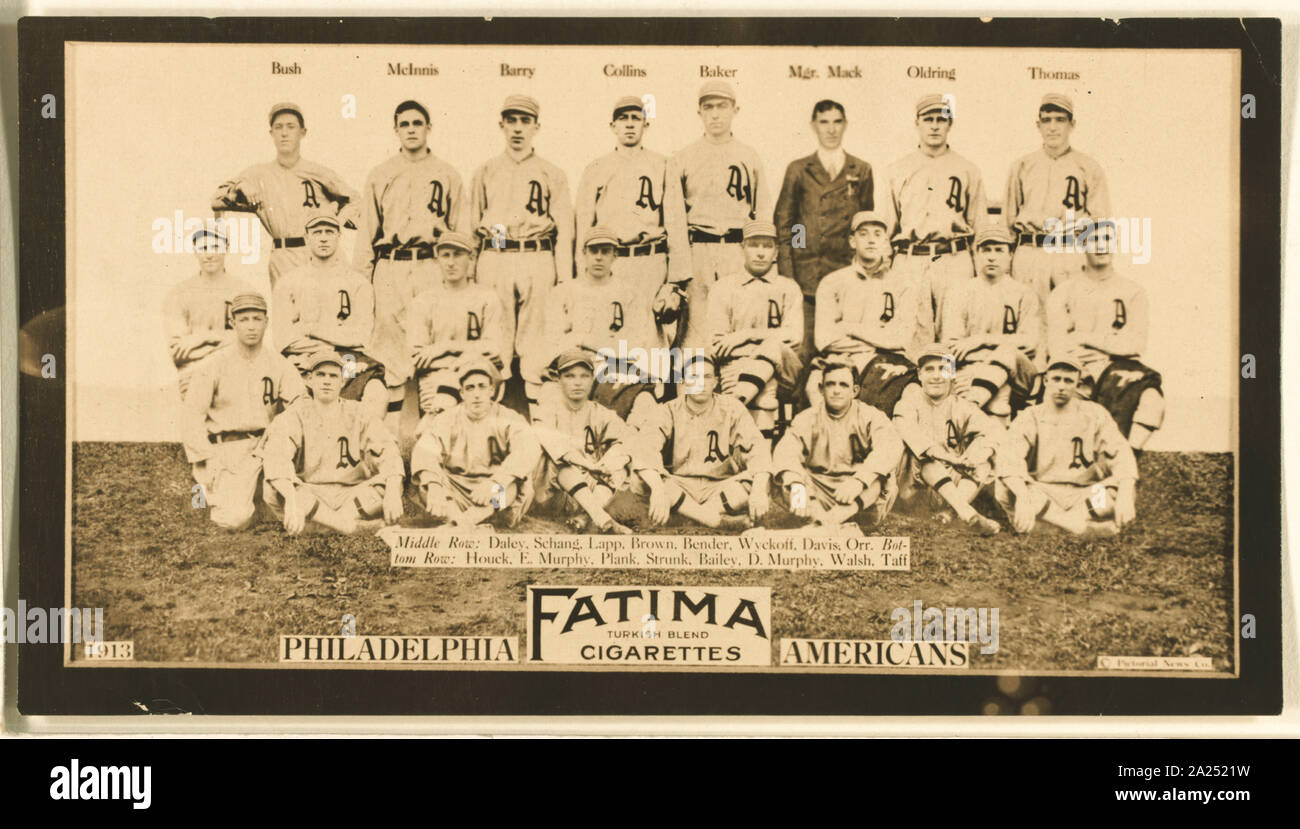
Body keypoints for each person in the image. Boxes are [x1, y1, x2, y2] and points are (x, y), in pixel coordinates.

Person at [356, 99, 467, 418]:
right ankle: (389, 454)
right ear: (395, 130)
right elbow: (366, 236)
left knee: (436, 356)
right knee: (389, 359)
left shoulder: (447, 174)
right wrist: (361, 290)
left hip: (433, 266)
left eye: (417, 123)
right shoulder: (380, 174)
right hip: (390, 268)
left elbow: (462, 235)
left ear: (429, 128)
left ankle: (433, 450)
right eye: (404, 124)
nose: (411, 130)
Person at [469, 95, 575, 412]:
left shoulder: (551, 172)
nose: (518, 128)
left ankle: (541, 434)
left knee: (538, 347)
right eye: (511, 121)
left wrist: (565, 284)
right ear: (501, 125)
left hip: (537, 254)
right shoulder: (485, 170)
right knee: (493, 345)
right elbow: (473, 227)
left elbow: (564, 232)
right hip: (497, 253)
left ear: (536, 127)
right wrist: (472, 278)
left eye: (525, 121)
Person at [181, 293, 306, 530]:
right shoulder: (214, 364)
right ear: (233, 322)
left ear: (266, 323)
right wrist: (205, 459)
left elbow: (301, 403)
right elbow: (192, 415)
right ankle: (206, 491)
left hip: (267, 446)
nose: (251, 326)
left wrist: (280, 424)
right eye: (244, 319)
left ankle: (257, 498)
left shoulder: (278, 363)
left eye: (257, 319)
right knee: (234, 520)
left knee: (296, 510)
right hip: (229, 448)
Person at [663, 80, 772, 351]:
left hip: (738, 249)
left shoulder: (749, 155)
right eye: (708, 107)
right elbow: (675, 218)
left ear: (735, 110)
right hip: (698, 249)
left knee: (739, 321)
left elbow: (764, 213)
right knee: (697, 330)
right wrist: (681, 270)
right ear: (699, 112)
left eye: (722, 106)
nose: (715, 113)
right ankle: (693, 391)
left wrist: (766, 262)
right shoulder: (683, 157)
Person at [774, 99, 880, 359]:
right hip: (807, 276)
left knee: (845, 349)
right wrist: (794, 268)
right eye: (824, 122)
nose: (831, 130)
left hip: (846, 273)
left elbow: (864, 225)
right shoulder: (799, 170)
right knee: (805, 351)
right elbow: (790, 224)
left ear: (845, 125)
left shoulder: (861, 169)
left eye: (836, 122)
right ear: (813, 126)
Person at [211, 102, 359, 287]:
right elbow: (216, 200)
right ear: (271, 133)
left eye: (291, 127)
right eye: (278, 127)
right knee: (287, 313)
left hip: (319, 254)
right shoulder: (258, 175)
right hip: (282, 257)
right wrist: (240, 186)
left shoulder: (318, 172)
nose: (284, 133)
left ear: (303, 132)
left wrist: (335, 222)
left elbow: (355, 200)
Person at [259, 351, 405, 536]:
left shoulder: (359, 412)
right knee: (275, 487)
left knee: (391, 482)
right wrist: (292, 500)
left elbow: (388, 452)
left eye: (333, 376)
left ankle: (325, 525)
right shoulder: (294, 414)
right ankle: (348, 527)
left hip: (351, 495)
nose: (327, 381)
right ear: (309, 380)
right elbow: (276, 459)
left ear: (342, 382)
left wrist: (392, 492)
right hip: (311, 492)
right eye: (320, 375)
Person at [1045, 222, 1164, 449]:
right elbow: (1058, 344)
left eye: (1107, 240)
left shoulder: (1133, 291)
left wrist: (1084, 337)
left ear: (1116, 244)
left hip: (1118, 371)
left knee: (1153, 402)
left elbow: (1136, 344)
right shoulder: (1064, 291)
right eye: (1094, 240)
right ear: (1081, 245)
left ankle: (1127, 457)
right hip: (1078, 375)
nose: (1101, 246)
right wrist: (1103, 348)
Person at [885, 93, 987, 352]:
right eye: (927, 119)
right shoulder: (898, 169)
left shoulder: (968, 169)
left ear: (950, 125)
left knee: (954, 332)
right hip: (910, 258)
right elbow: (887, 226)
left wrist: (980, 273)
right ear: (916, 123)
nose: (934, 126)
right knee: (911, 335)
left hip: (954, 258)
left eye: (941, 120)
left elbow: (980, 227)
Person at [995, 355, 1138, 537]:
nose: (1061, 386)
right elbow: (1009, 458)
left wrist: (1125, 494)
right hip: (1043, 492)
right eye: (1056, 379)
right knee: (1006, 486)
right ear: (1046, 380)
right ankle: (1078, 527)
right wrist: (1023, 496)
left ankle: (1056, 527)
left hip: (1084, 494)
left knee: (1120, 489)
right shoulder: (1030, 416)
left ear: (1077, 384)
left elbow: (1121, 452)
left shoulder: (1094, 413)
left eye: (1068, 381)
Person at [575, 96, 673, 360]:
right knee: (610, 328)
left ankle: (650, 396)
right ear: (612, 126)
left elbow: (674, 224)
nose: (629, 125)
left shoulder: (662, 165)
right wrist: (581, 273)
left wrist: (673, 279)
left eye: (635, 119)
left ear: (645, 125)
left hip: (651, 260)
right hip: (612, 261)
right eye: (623, 119)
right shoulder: (596, 168)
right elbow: (583, 228)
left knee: (651, 334)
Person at [273, 213, 388, 422]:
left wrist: (311, 329)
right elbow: (283, 339)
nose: (323, 238)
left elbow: (361, 336)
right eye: (317, 232)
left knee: (376, 392)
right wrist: (329, 346)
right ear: (307, 238)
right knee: (297, 403)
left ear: (338, 236)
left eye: (329, 232)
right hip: (302, 362)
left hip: (349, 360)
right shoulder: (289, 282)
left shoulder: (357, 282)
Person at [635, 355, 771, 530]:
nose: (700, 383)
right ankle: (714, 520)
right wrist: (658, 490)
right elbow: (645, 449)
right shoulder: (667, 410)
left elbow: (757, 449)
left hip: (720, 486)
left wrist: (759, 490)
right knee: (645, 479)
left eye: (706, 377)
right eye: (693, 377)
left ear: (715, 382)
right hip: (680, 484)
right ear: (683, 382)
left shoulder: (732, 407)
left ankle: (695, 515)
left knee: (757, 481)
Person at [810, 210, 927, 415]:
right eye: (863, 234)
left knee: (911, 397)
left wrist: (848, 327)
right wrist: (878, 338)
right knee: (814, 389)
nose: (871, 240)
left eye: (878, 234)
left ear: (886, 241)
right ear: (852, 241)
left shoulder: (904, 284)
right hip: (840, 360)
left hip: (888, 362)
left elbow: (902, 338)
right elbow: (824, 339)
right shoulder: (833, 282)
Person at [1004, 93, 1112, 308]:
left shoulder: (1088, 166)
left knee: (1071, 327)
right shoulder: (1022, 165)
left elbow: (1100, 223)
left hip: (1069, 252)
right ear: (1038, 125)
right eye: (1047, 120)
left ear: (1072, 125)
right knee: (1028, 326)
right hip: (1029, 252)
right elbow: (1009, 222)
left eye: (1060, 120)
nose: (1053, 127)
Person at [543, 226, 660, 423]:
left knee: (645, 405)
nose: (599, 257)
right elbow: (554, 342)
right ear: (584, 254)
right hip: (575, 369)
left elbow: (636, 345)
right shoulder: (564, 292)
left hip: (616, 369)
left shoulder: (630, 294)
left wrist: (583, 340)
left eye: (605, 251)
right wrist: (605, 344)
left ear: (615, 255)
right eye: (593, 251)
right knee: (549, 399)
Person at [409, 358, 542, 528]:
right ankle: (460, 521)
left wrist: (497, 481)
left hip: (492, 495)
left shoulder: (508, 417)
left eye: (482, 386)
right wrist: (434, 485)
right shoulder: (446, 418)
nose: (476, 394)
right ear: (462, 393)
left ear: (491, 390)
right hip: (456, 489)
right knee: (429, 483)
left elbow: (528, 447)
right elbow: (425, 449)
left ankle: (463, 523)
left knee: (511, 487)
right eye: (470, 388)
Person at [773, 357, 903, 528]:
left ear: (855, 390)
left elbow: (891, 447)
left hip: (858, 500)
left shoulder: (870, 416)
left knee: (882, 477)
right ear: (821, 388)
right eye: (830, 384)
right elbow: (786, 451)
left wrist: (859, 480)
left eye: (843, 385)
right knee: (789, 477)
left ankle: (827, 522)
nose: (836, 390)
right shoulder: (807, 418)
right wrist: (797, 485)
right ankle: (823, 521)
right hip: (818, 495)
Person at [706, 220, 803, 436]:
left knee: (773, 347)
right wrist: (754, 358)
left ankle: (732, 407)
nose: (760, 253)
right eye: (754, 245)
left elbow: (794, 336)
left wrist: (744, 336)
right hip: (735, 368)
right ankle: (762, 463)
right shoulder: (723, 287)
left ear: (776, 252)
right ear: (742, 249)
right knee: (765, 395)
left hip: (784, 372)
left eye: (767, 246)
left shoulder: (788, 287)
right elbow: (717, 344)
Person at [892, 345, 1002, 535]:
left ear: (952, 375)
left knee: (983, 462)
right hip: (912, 487)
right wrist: (951, 459)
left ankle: (949, 513)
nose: (936, 376)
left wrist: (972, 458)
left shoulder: (961, 405)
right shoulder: (908, 402)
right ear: (919, 374)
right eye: (929, 369)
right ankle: (966, 512)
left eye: (943, 369)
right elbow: (913, 437)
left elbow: (992, 433)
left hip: (949, 488)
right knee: (925, 457)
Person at [938, 224, 1042, 423]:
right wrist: (959, 378)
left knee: (1007, 351)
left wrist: (981, 340)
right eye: (986, 250)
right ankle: (981, 409)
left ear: (1010, 255)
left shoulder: (1024, 293)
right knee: (998, 405)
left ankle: (970, 406)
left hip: (1018, 374)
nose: (992, 257)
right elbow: (951, 346)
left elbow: (1029, 342)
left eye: (999, 250)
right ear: (976, 254)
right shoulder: (959, 292)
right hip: (973, 374)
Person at [532, 349, 641, 534]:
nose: (577, 382)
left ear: (592, 380)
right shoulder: (547, 408)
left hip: (588, 494)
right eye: (569, 376)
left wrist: (612, 460)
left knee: (618, 467)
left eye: (584, 376)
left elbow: (630, 437)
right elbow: (554, 444)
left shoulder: (599, 412)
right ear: (558, 380)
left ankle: (585, 518)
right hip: (552, 495)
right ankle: (602, 518)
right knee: (563, 466)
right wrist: (589, 465)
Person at [406, 231, 508, 418]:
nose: (451, 262)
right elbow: (417, 356)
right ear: (437, 260)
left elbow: (494, 348)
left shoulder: (487, 297)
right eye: (445, 255)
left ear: (471, 258)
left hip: (478, 378)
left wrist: (445, 347)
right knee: (439, 415)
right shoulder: (424, 300)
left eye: (457, 255)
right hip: (434, 379)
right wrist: (468, 355)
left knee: (451, 416)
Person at [162, 228, 255, 397]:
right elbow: (178, 351)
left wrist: (203, 337)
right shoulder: (180, 293)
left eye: (215, 247)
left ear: (226, 248)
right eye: (203, 248)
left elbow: (251, 341)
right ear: (195, 251)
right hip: (193, 376)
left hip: (235, 374)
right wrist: (228, 340)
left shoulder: (243, 290)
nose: (209, 255)